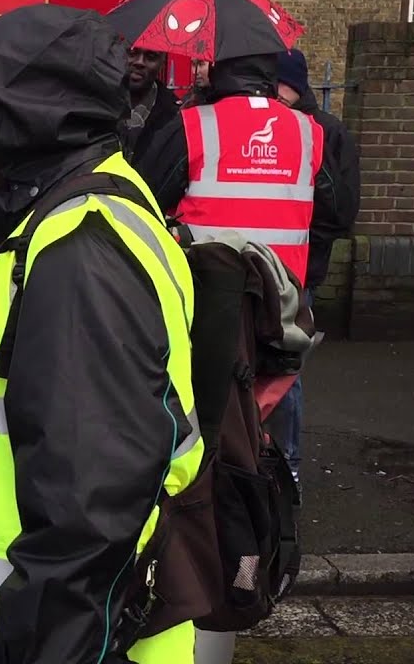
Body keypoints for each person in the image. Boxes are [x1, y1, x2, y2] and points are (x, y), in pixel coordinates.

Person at [0, 4, 203, 664]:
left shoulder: (80, 249)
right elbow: (67, 414)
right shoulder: (74, 217)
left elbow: (90, 516)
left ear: (7, 129)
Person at [135, 52, 331, 290]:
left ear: (220, 70)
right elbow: (336, 210)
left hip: (204, 287)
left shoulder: (192, 124)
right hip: (282, 292)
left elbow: (144, 198)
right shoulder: (307, 130)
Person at [269, 47, 361, 499]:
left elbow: (340, 212)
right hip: (257, 270)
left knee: (285, 376)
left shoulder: (326, 132)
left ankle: (288, 471)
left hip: (295, 272)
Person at [120, 47, 180, 162]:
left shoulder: (175, 116)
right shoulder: (96, 104)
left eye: (151, 56)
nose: (140, 62)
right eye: (132, 53)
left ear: (162, 63)